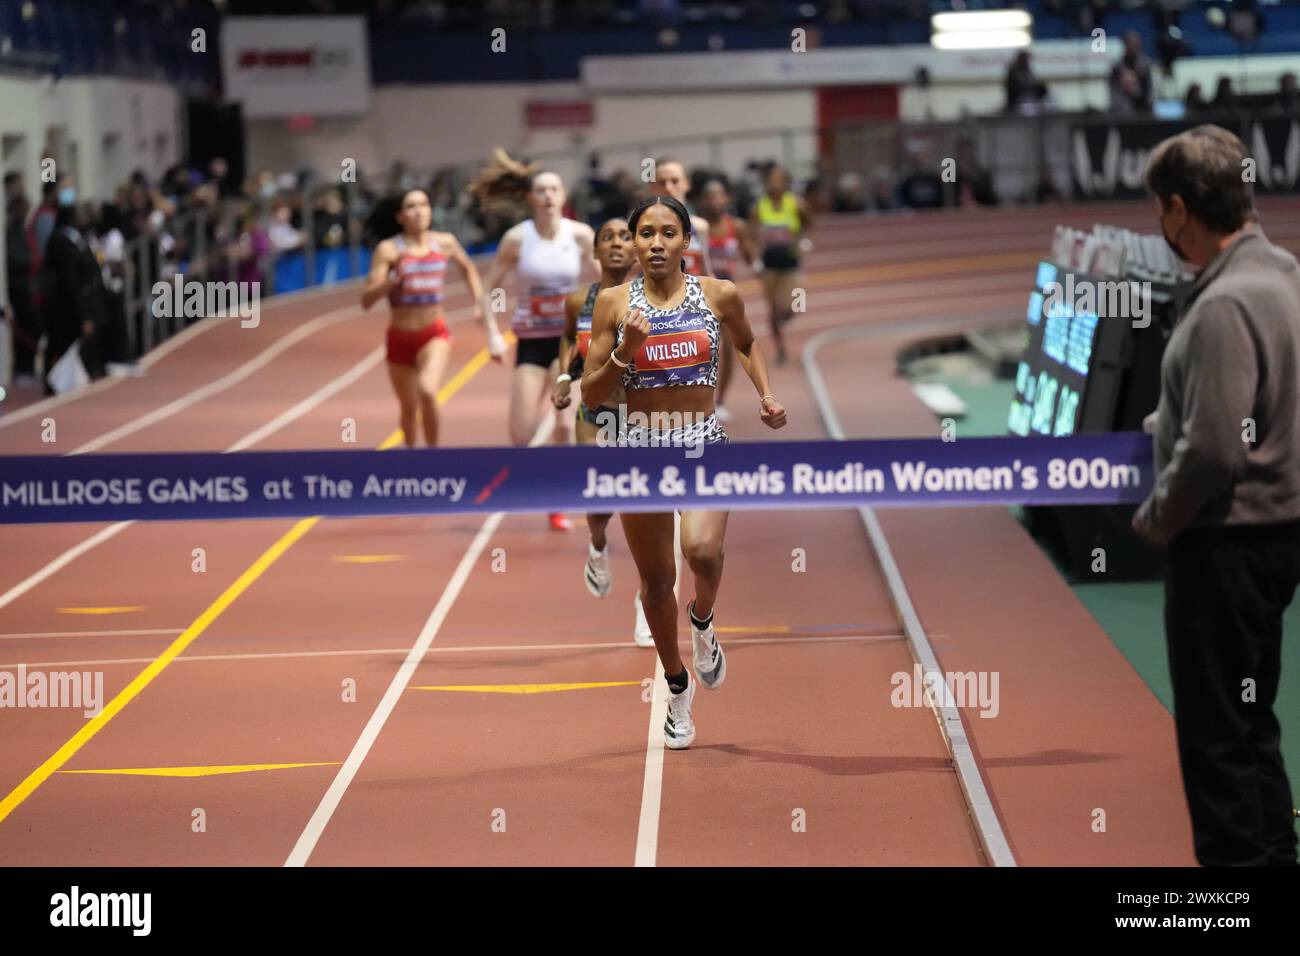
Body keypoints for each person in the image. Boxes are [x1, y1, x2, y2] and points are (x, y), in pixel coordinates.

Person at [1133, 124, 1300, 867]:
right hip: (1274, 537)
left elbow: (1215, 448)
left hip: (1225, 543)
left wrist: (1158, 515)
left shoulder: (1225, 303)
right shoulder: (1285, 276)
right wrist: (1171, 415)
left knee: (1216, 740)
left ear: (1178, 210)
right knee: (1250, 721)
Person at [581, 194, 787, 749]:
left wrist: (766, 395)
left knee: (702, 553)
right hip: (638, 449)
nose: (654, 243)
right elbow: (591, 392)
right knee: (654, 582)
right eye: (644, 233)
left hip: (701, 443)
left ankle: (703, 621)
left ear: (685, 241)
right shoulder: (613, 303)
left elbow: (746, 344)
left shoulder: (718, 294)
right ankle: (676, 688)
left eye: (667, 233)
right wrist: (626, 352)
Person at [476, 150, 597, 530]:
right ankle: (539, 481)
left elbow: (606, 279)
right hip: (530, 341)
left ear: (563, 196)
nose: (547, 196)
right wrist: (493, 336)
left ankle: (557, 502)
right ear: (531, 197)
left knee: (565, 427)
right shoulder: (516, 239)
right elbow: (487, 289)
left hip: (568, 342)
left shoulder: (579, 235)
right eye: (541, 190)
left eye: (554, 189)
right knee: (522, 432)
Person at [551, 217, 653, 644]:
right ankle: (597, 544)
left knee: (648, 514)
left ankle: (647, 603)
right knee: (598, 495)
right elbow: (568, 346)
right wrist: (562, 378)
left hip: (645, 418)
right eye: (606, 238)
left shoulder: (651, 298)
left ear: (636, 251)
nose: (615, 244)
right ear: (594, 252)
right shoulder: (578, 302)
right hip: (596, 412)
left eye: (624, 237)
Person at [361, 188, 484, 448]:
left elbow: (468, 267)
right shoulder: (389, 250)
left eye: (424, 205)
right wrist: (391, 282)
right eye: (411, 206)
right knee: (408, 407)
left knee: (428, 390)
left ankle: (433, 457)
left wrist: (478, 301)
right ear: (400, 216)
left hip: (434, 334)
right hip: (399, 338)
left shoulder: (445, 242)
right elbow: (366, 300)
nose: (419, 211)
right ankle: (412, 458)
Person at [697, 176, 756, 418]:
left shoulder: (737, 227)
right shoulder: (697, 227)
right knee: (704, 349)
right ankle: (701, 400)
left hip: (728, 299)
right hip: (702, 296)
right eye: (709, 196)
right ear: (702, 200)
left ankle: (720, 401)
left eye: (718, 195)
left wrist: (756, 261)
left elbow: (750, 256)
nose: (714, 201)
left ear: (726, 198)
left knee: (730, 349)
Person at [748, 164, 812, 366]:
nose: (775, 184)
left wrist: (804, 242)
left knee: (794, 304)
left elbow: (809, 225)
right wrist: (755, 260)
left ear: (786, 183)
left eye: (779, 180)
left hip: (791, 261)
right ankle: (781, 348)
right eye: (771, 180)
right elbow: (751, 235)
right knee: (773, 310)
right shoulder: (759, 207)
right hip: (769, 263)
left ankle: (787, 317)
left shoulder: (797, 204)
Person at [1110, 31, 1153, 114]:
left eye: (1136, 44)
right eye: (1130, 44)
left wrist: (1141, 76)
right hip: (1124, 111)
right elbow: (1115, 95)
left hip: (1144, 110)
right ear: (1125, 45)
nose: (1133, 47)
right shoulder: (1118, 67)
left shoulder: (1145, 64)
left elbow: (1149, 92)